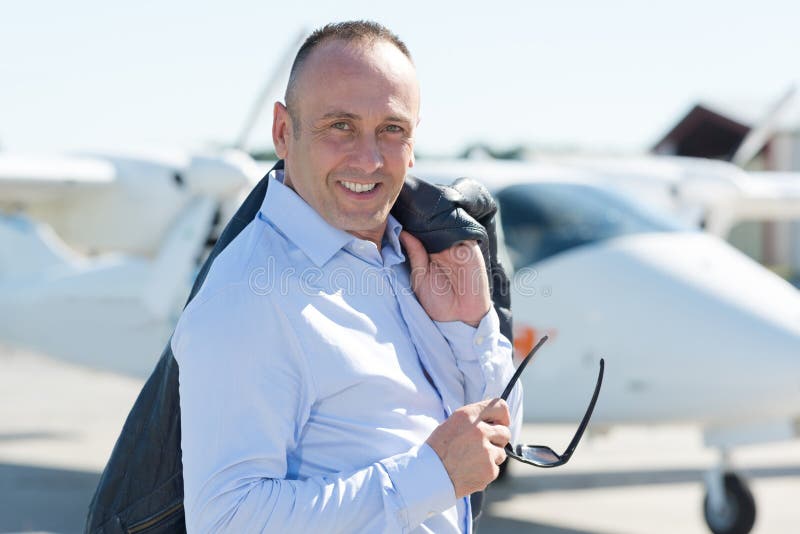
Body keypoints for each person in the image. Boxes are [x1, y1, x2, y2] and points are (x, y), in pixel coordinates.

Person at [172, 20, 522, 533]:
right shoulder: (248, 295)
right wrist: (430, 476)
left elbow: (497, 439)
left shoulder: (418, 258)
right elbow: (226, 520)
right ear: (282, 133)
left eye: (391, 129)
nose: (369, 158)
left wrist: (469, 326)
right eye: (340, 125)